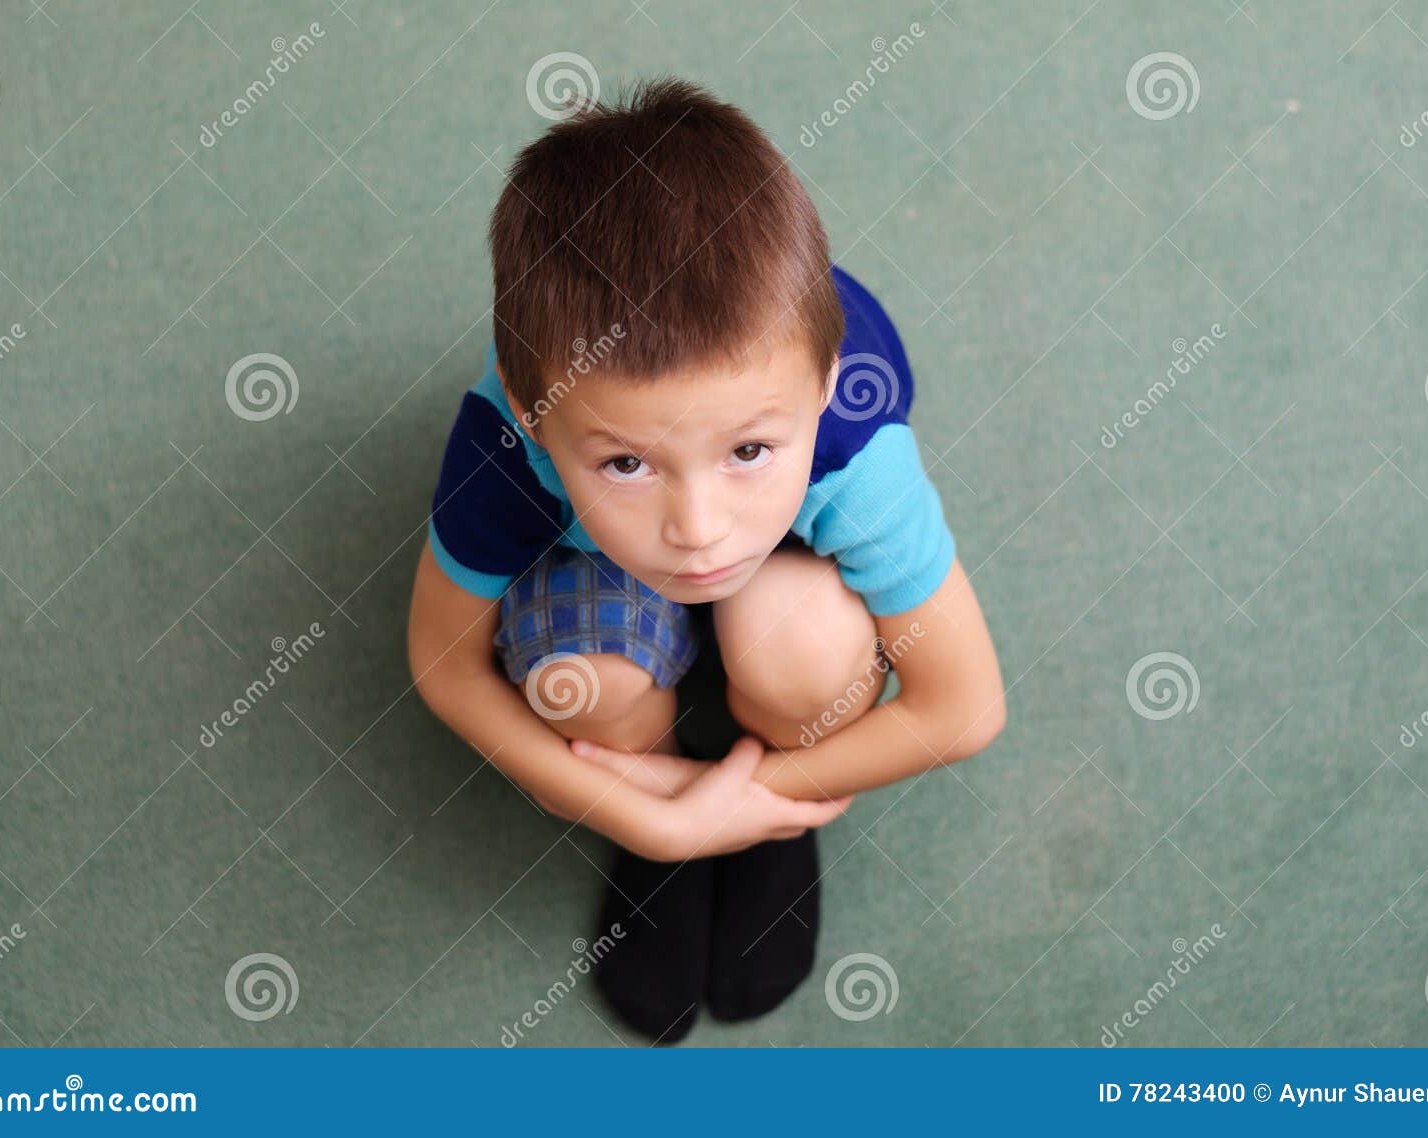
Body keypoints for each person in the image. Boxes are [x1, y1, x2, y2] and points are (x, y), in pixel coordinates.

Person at [407, 78, 1005, 1044]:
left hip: (794, 588)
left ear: (821, 389)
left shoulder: (856, 439)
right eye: (628, 463)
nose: (699, 529)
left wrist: (745, 802)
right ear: (533, 420)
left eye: (749, 453)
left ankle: (770, 817)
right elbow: (443, 663)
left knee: (803, 652)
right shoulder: (503, 451)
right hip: (596, 579)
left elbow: (965, 705)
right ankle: (660, 845)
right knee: (581, 684)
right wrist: (646, 822)